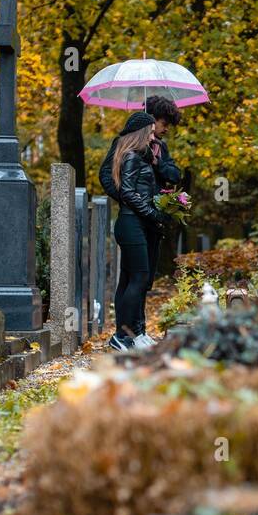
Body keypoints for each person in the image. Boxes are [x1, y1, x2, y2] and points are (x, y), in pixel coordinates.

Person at [100, 96, 183, 345]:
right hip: (136, 216)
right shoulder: (124, 145)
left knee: (143, 279)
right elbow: (107, 176)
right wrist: (133, 202)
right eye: (162, 122)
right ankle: (126, 334)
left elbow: (174, 174)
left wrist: (157, 163)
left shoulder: (160, 149)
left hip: (152, 221)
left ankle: (139, 332)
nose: (166, 128)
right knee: (134, 277)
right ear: (150, 121)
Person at [104, 113, 166, 351]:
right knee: (139, 278)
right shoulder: (131, 156)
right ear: (140, 133)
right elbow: (128, 193)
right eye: (150, 131)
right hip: (131, 224)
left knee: (132, 279)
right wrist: (153, 213)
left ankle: (135, 333)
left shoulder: (142, 157)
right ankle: (122, 335)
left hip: (136, 224)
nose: (154, 135)